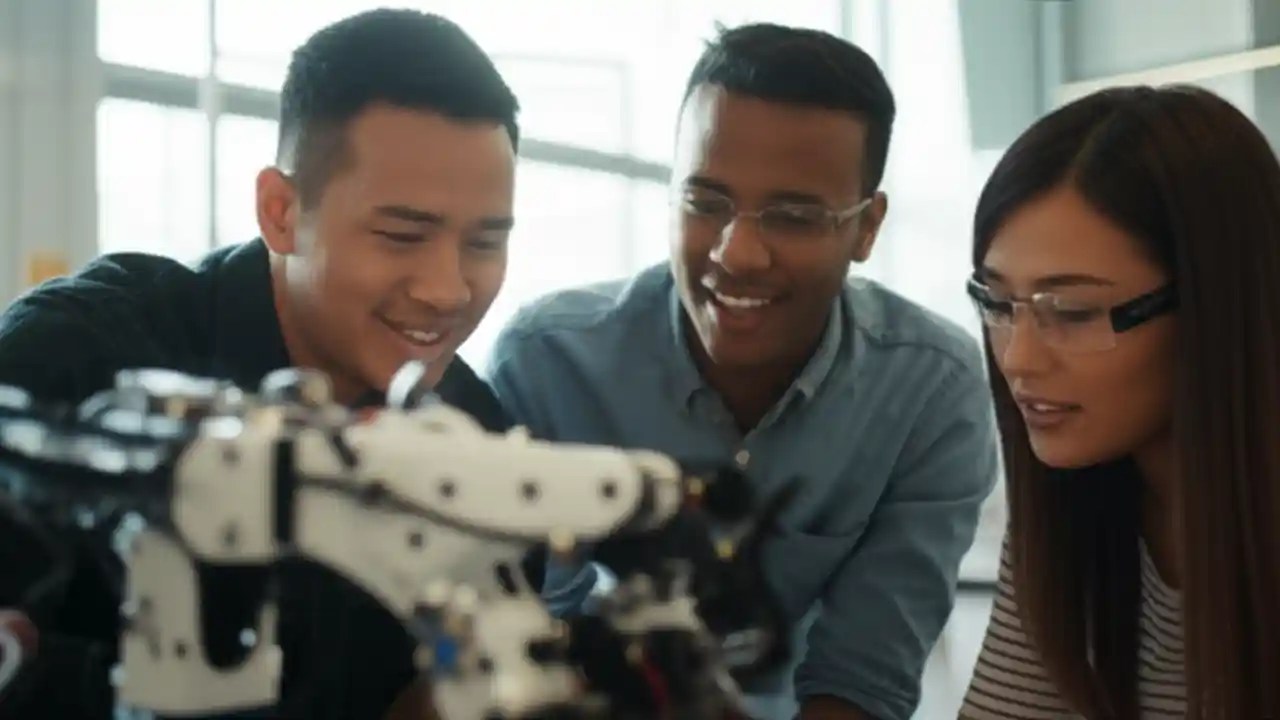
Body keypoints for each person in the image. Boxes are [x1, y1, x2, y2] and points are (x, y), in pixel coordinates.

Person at [0, 8, 518, 719]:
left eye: (485, 244)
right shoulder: (75, 362)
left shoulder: (475, 435)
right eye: (402, 235)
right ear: (280, 210)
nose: (448, 289)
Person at [488, 22, 999, 720]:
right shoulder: (548, 362)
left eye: (792, 216)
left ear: (867, 227)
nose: (739, 253)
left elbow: (865, 677)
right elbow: (524, 637)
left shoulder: (930, 390)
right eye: (706, 203)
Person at [958, 85, 1280, 720]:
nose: (1018, 357)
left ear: (1215, 310)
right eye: (997, 305)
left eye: (1073, 312)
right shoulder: (1069, 507)